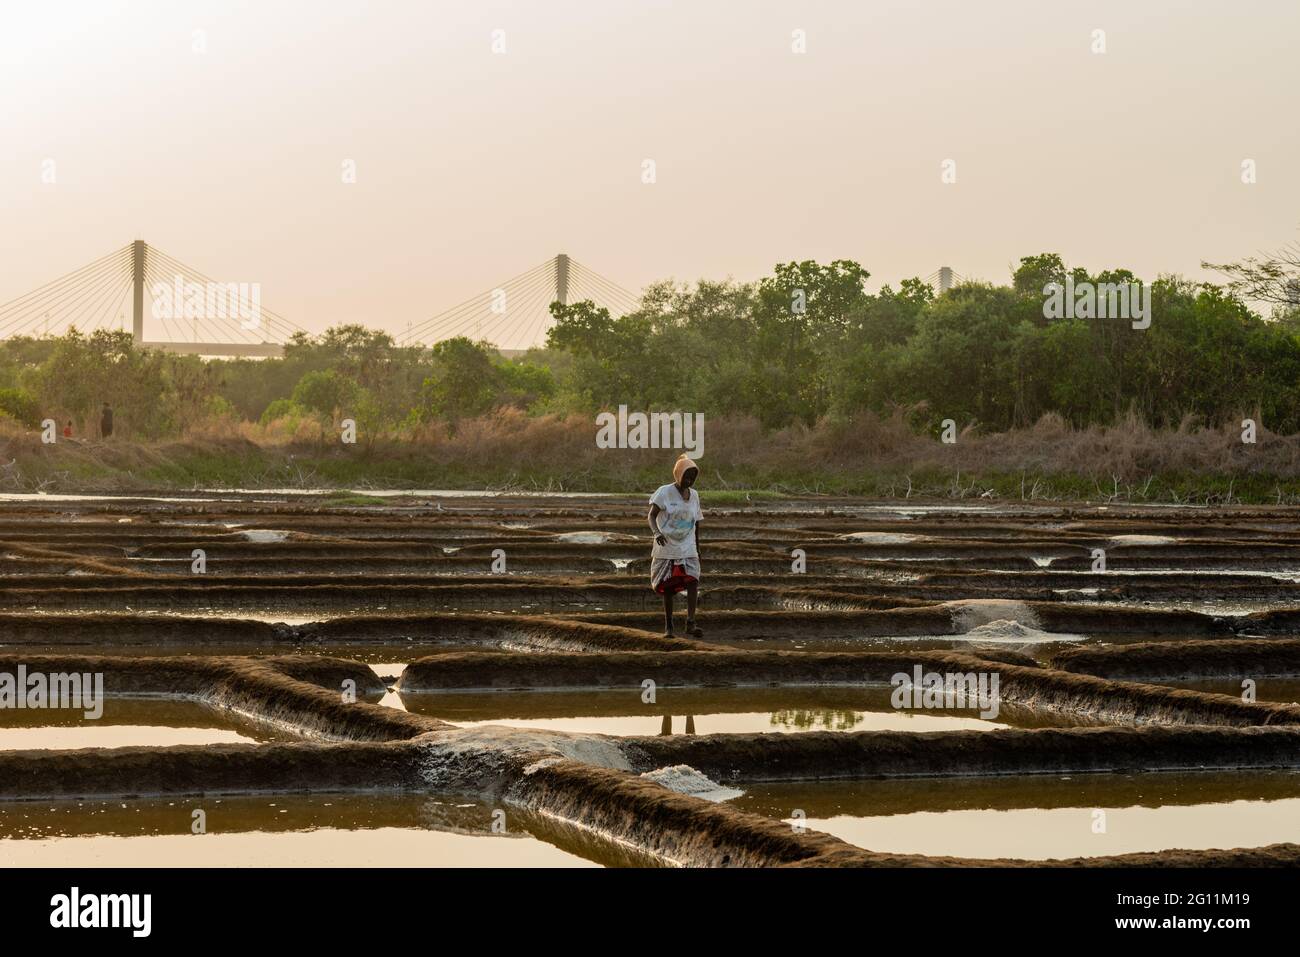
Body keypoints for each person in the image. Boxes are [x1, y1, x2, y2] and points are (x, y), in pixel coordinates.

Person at [647, 453, 703, 638]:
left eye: (693, 478)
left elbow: (697, 522)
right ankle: (669, 626)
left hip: (687, 546)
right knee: (668, 586)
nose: (689, 481)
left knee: (693, 581)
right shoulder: (664, 492)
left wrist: (697, 546)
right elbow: (651, 515)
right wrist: (657, 533)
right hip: (667, 545)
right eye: (687, 476)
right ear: (678, 475)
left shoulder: (694, 495)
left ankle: (690, 623)